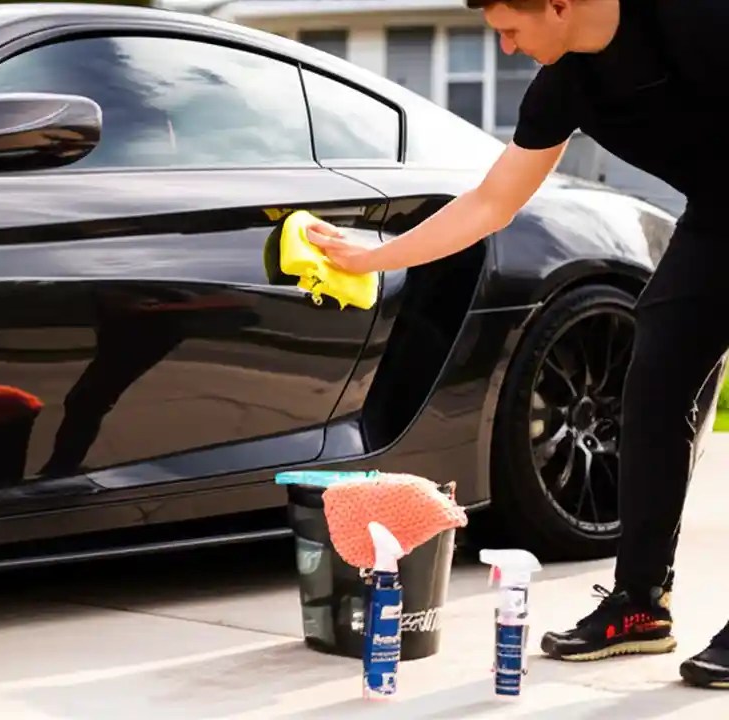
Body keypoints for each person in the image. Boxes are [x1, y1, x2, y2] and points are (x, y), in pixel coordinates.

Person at [305, 0, 729, 690]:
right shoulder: (565, 82)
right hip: (719, 217)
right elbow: (490, 203)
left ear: (560, 5)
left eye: (510, 29)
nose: (504, 49)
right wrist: (370, 259)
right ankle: (639, 606)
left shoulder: (695, 19)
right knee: (654, 387)